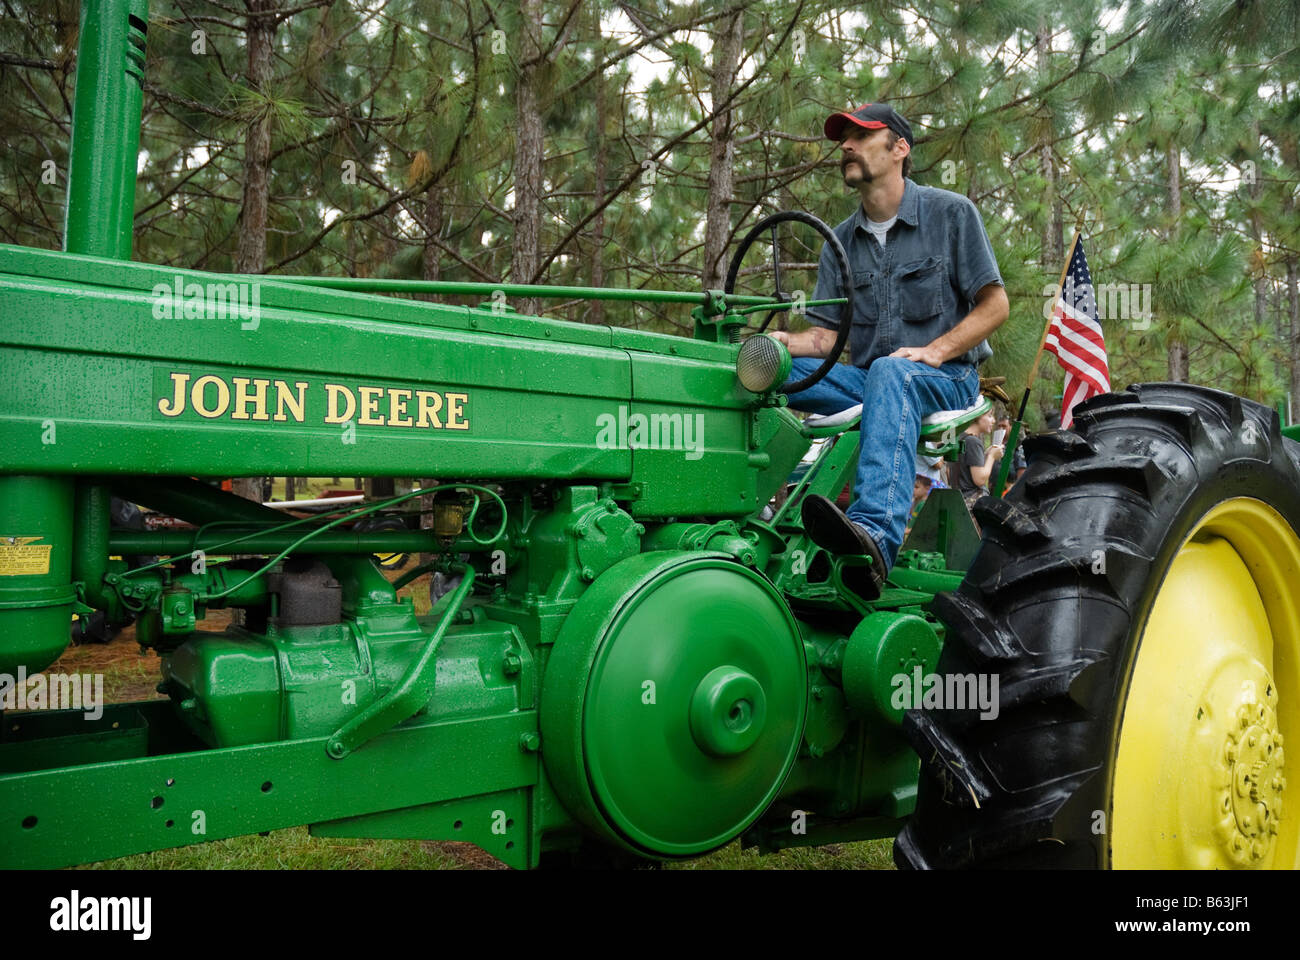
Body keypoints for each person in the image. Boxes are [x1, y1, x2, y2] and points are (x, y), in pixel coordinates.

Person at [767, 102, 1008, 599]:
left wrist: (938, 350)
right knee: (768, 372)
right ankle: (745, 520)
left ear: (900, 148)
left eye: (860, 135)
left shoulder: (951, 214)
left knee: (890, 373)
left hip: (947, 380)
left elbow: (995, 305)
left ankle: (874, 537)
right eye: (843, 138)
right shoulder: (838, 242)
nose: (846, 146)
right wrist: (783, 345)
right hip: (873, 379)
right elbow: (828, 339)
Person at [955, 409, 1004, 509]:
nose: (993, 421)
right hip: (970, 504)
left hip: (958, 500)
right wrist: (991, 457)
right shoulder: (973, 441)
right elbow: (979, 479)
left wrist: (985, 455)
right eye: (990, 416)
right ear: (977, 416)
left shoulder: (960, 437)